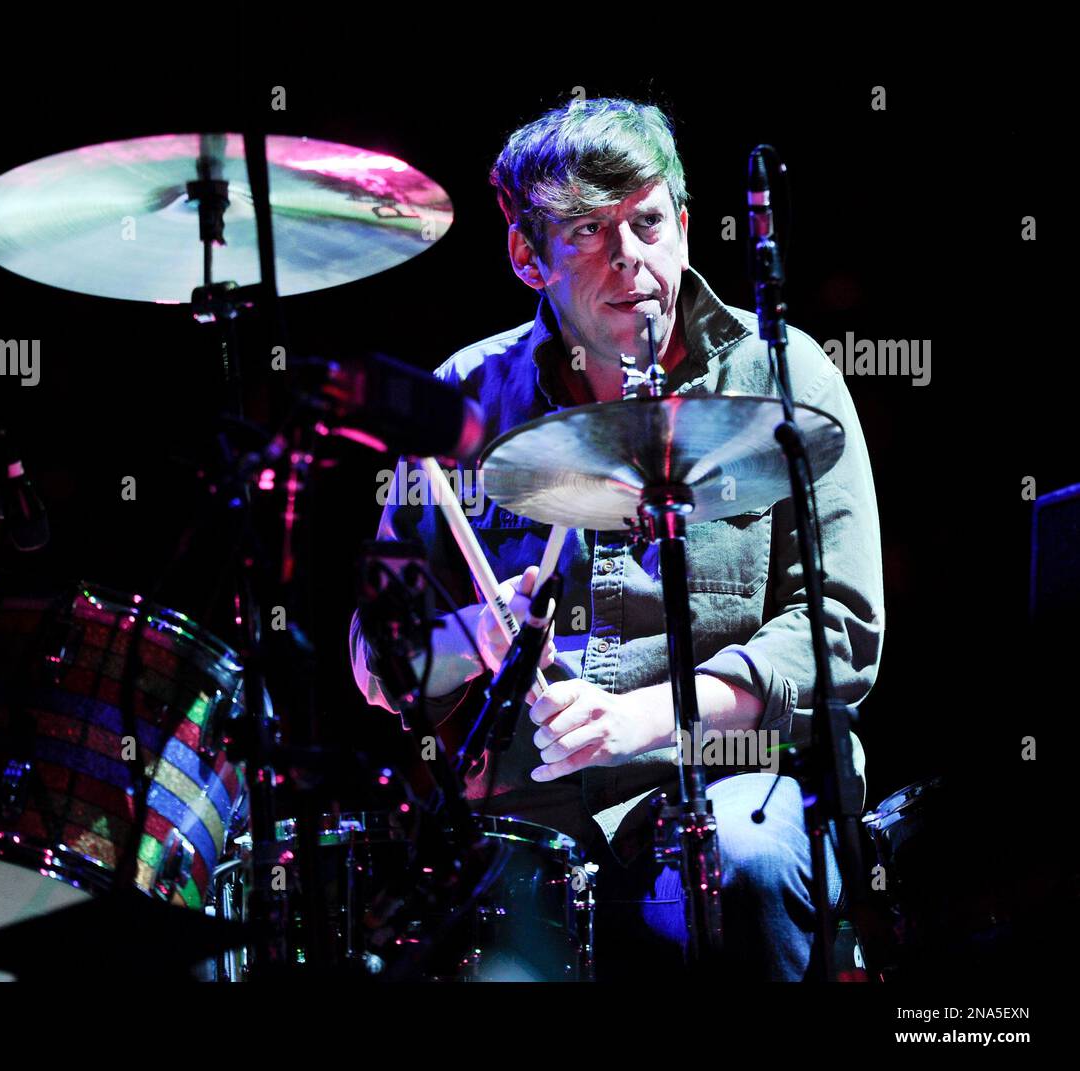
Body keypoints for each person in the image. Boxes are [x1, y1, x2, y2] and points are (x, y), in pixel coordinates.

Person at [350, 98, 884, 980]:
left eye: (645, 222)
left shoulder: (782, 377)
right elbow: (377, 659)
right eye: (590, 230)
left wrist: (640, 720)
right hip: (529, 820)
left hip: (726, 779)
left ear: (682, 223)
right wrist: (479, 638)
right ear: (528, 254)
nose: (628, 257)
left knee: (744, 870)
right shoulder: (465, 400)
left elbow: (841, 631)